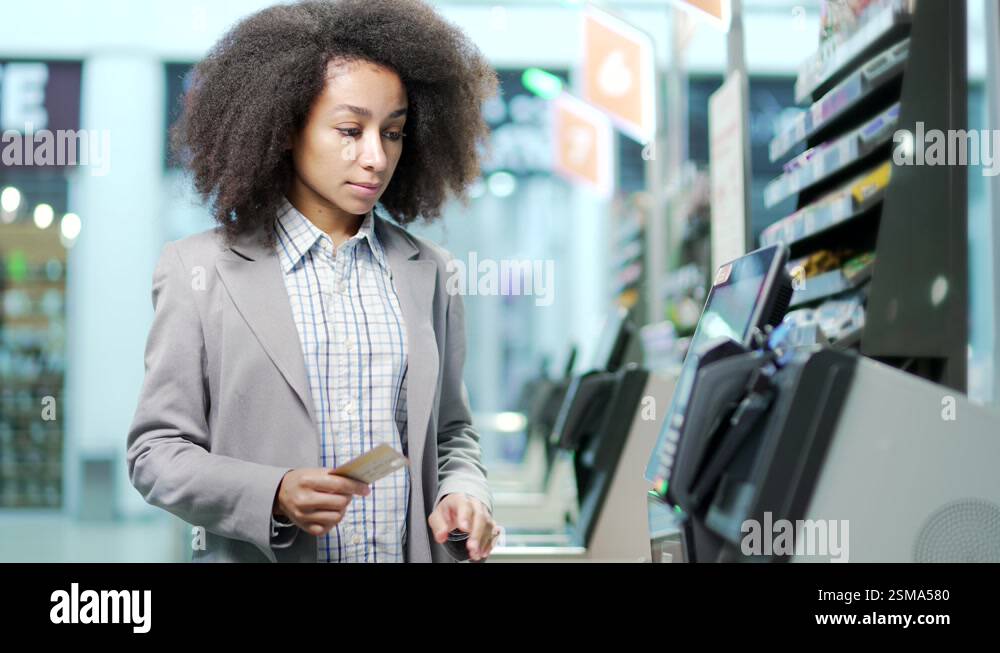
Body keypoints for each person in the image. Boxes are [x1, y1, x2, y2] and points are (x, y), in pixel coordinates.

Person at [127, 0, 500, 563]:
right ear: (283, 127)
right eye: (350, 129)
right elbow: (156, 453)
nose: (375, 157)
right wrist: (272, 493)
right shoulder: (198, 272)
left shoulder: (431, 273)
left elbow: (451, 435)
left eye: (393, 133)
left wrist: (464, 494)